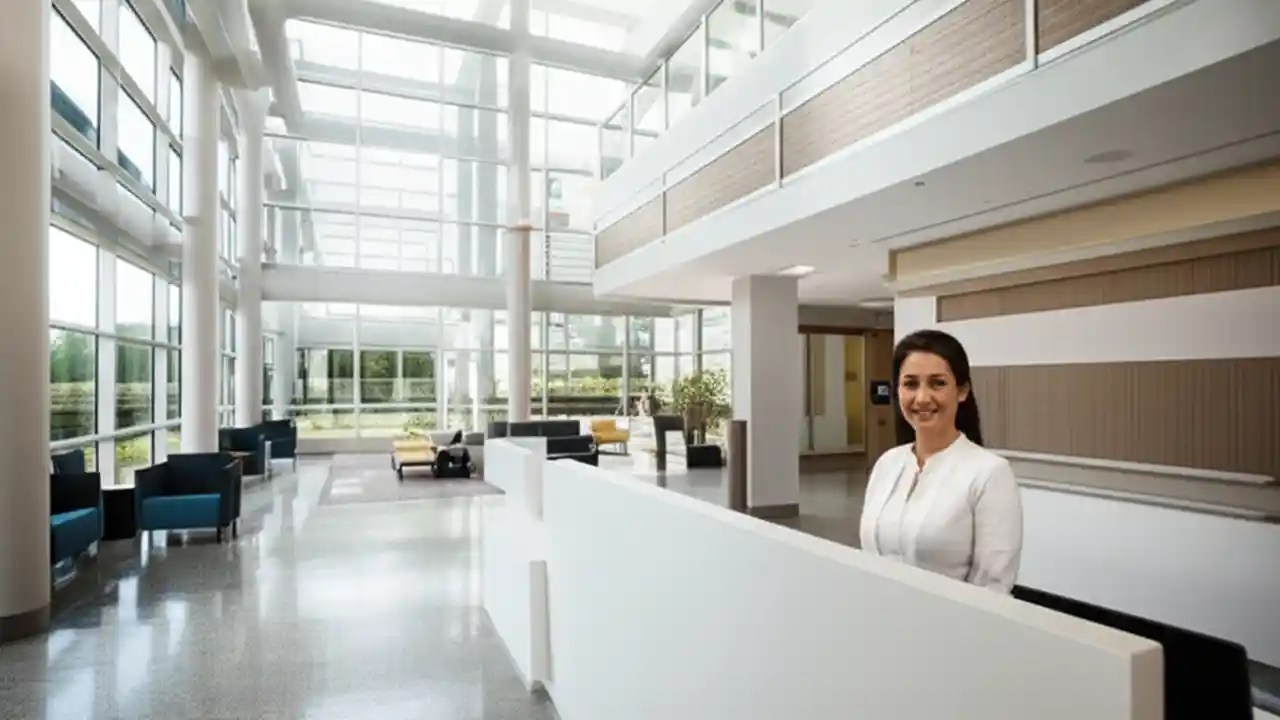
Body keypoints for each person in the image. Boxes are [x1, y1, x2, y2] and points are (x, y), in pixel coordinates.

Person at [859, 329, 1023, 592]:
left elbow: (993, 586)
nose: (922, 397)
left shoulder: (989, 473)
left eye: (937, 383)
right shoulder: (887, 464)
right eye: (910, 384)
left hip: (949, 628)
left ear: (962, 391)